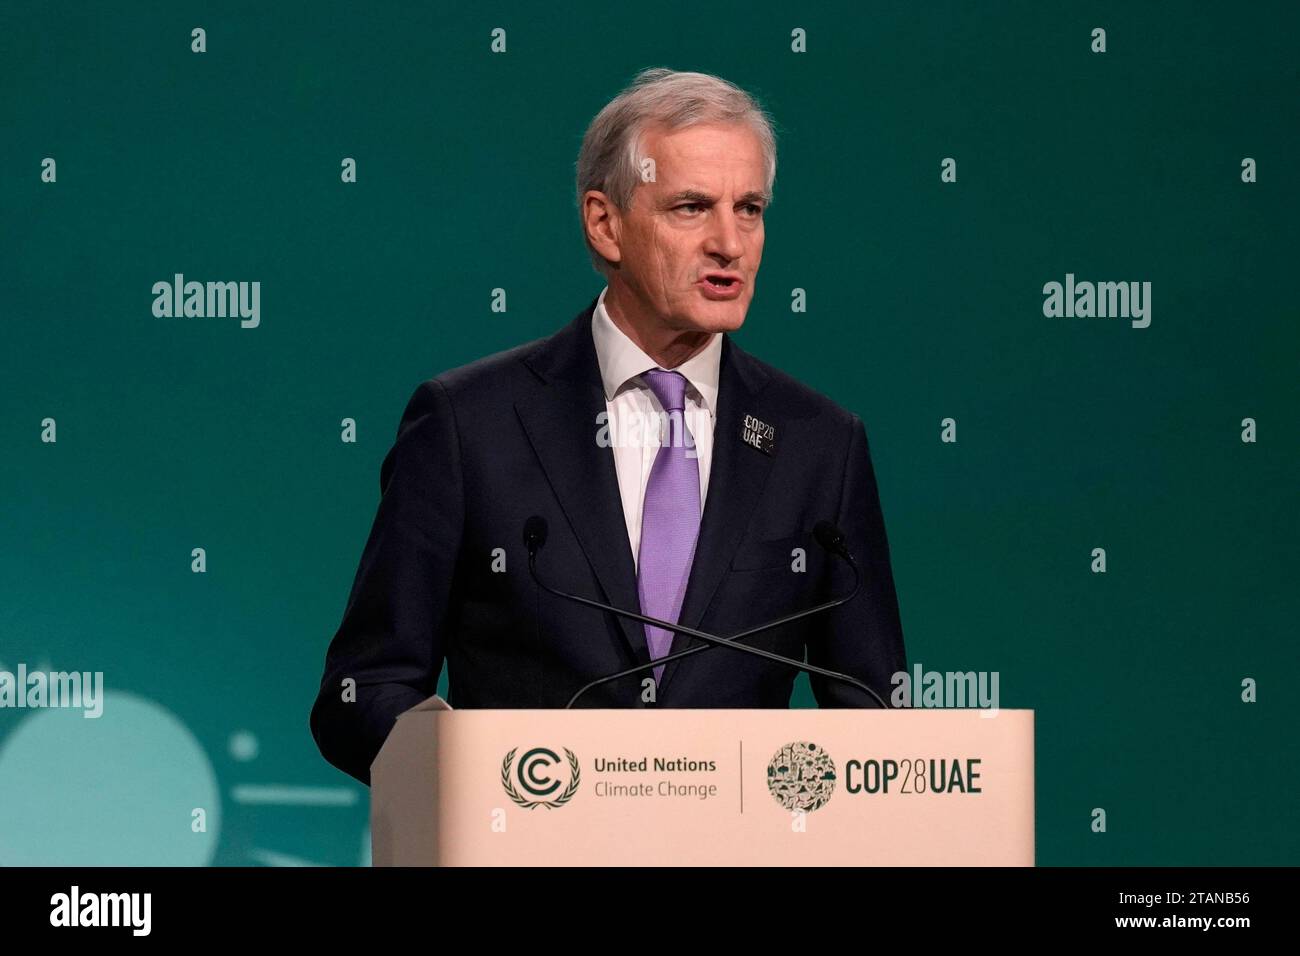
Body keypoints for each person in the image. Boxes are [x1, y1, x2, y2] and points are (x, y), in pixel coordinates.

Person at [310, 68, 906, 785]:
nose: (729, 242)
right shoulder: (470, 423)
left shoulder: (819, 442)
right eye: (691, 207)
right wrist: (468, 776)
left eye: (749, 209)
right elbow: (362, 691)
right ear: (605, 222)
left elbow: (875, 720)